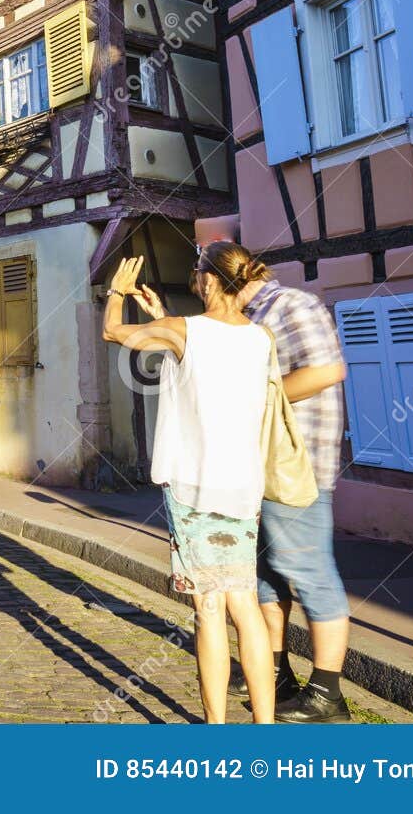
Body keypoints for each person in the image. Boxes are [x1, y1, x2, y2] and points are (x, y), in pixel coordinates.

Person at [103, 245, 276, 724]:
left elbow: (112, 332)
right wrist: (163, 317)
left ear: (210, 280)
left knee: (209, 607)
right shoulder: (261, 337)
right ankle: (265, 727)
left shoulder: (185, 332)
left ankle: (217, 729)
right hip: (243, 485)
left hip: (194, 485)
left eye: (198, 272)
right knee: (245, 604)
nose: (195, 278)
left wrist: (117, 292)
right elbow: (209, 365)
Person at [236, 257, 352, 723]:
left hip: (297, 466)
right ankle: (278, 674)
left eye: (202, 280)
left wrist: (252, 397)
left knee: (308, 570)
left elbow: (327, 371)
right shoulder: (253, 317)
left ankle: (327, 695)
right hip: (263, 467)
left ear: (232, 276)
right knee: (266, 575)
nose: (201, 290)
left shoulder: (292, 305)